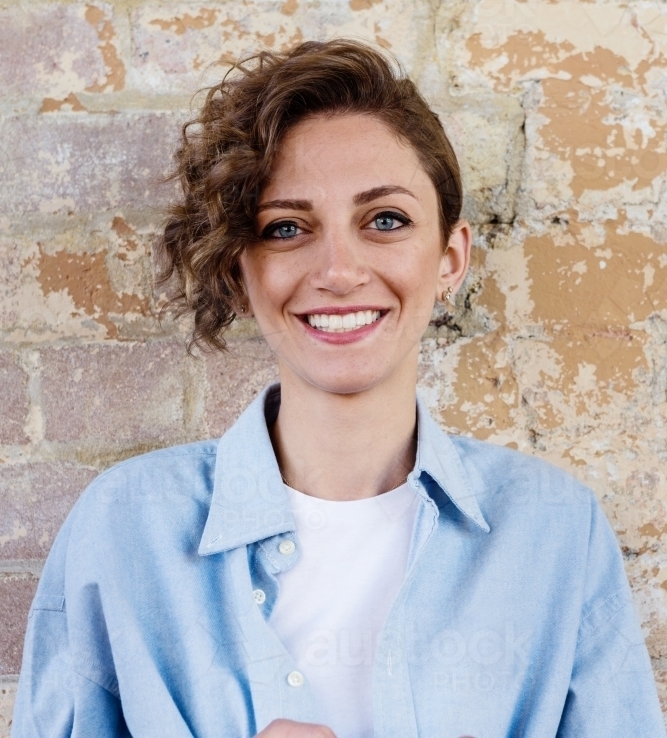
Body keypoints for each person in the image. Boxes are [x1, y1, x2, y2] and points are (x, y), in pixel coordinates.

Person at [12, 40, 665, 738]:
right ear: (240, 272)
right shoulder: (124, 528)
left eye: (384, 220)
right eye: (286, 228)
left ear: (450, 258)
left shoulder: (553, 532)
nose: (339, 269)